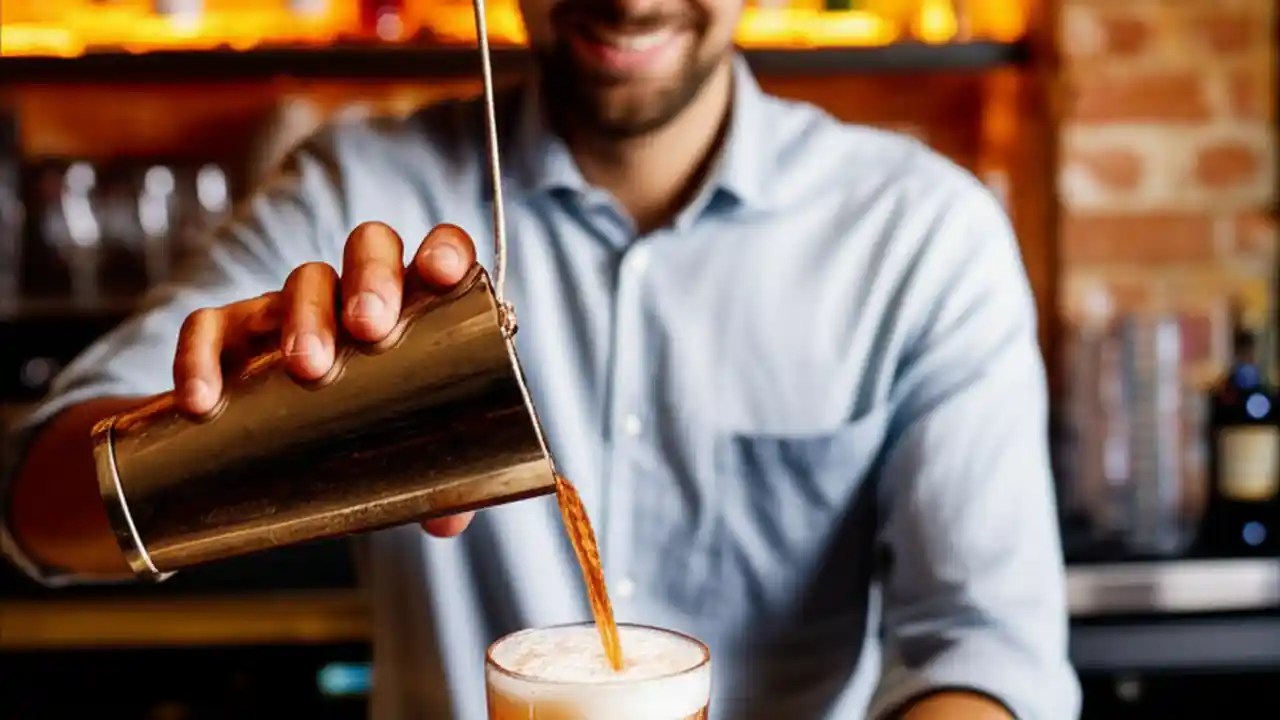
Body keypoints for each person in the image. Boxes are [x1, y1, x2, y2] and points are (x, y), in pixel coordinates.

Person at [0, 0, 1080, 718]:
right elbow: (28, 505)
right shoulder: (357, 190)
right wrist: (223, 432)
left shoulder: (920, 232)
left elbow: (981, 649)